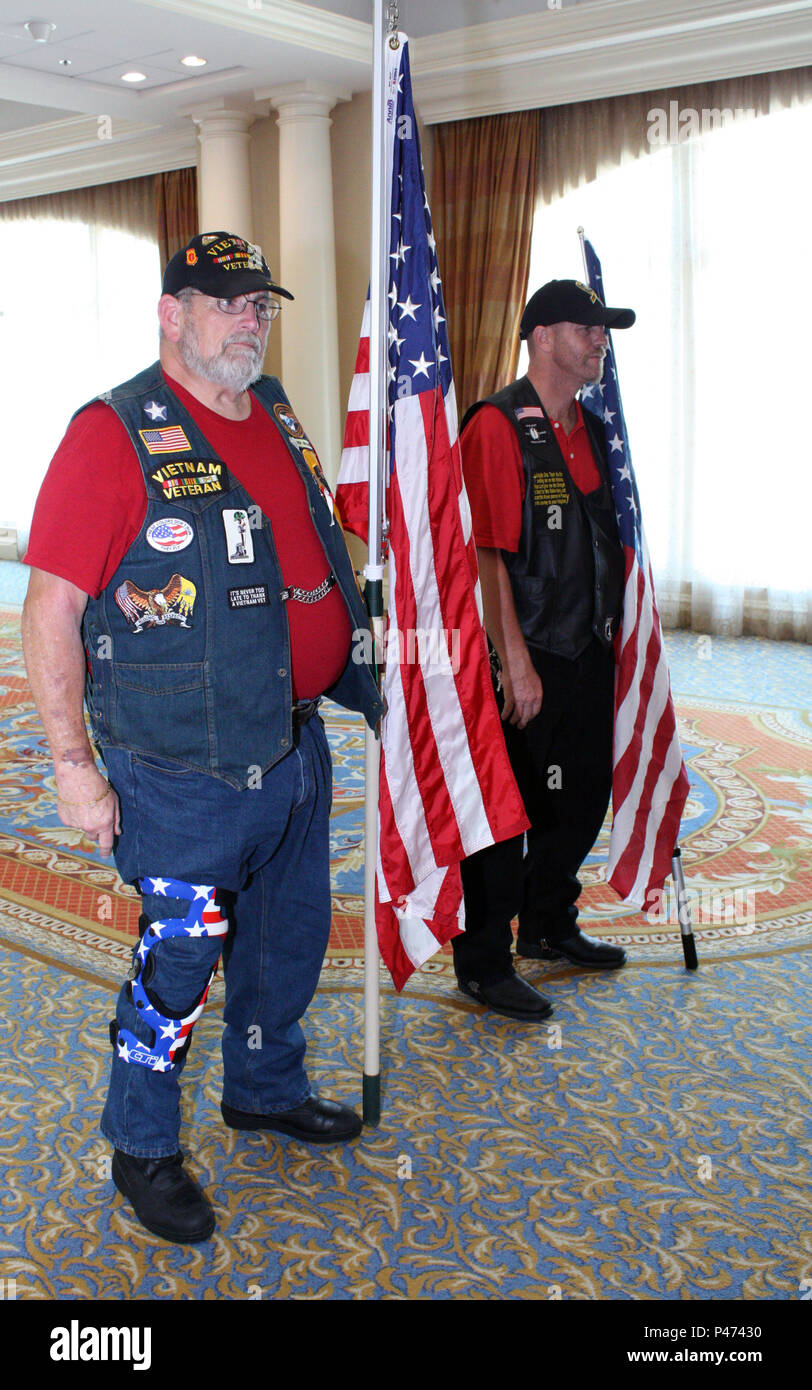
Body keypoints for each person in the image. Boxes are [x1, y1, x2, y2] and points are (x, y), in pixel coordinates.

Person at [21, 231, 383, 1243]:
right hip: (180, 764)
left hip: (292, 744)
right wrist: (71, 768)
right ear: (171, 313)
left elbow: (310, 543)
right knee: (177, 965)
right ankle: (141, 1145)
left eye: (258, 304)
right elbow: (49, 611)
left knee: (283, 941)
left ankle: (263, 1084)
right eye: (224, 303)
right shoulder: (114, 431)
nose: (247, 321)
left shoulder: (269, 407)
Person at [453, 279, 633, 1021]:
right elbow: (485, 556)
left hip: (588, 648)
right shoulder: (496, 426)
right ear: (543, 336)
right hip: (526, 655)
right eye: (587, 327)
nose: (600, 339)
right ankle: (485, 960)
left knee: (581, 793)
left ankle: (550, 924)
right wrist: (514, 662)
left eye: (603, 329)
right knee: (507, 813)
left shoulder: (592, 429)